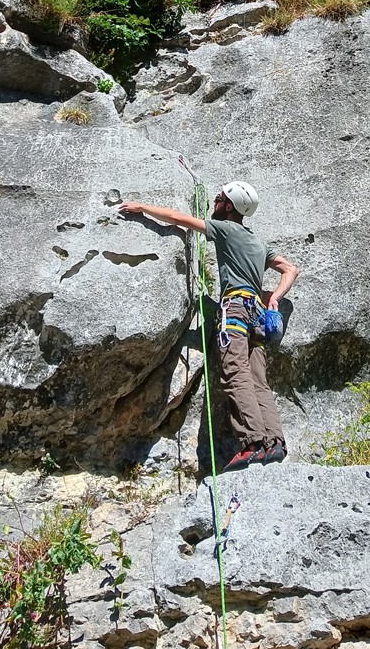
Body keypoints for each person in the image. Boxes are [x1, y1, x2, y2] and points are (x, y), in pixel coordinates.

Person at [119, 181, 299, 471]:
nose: (215, 202)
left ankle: (253, 443)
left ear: (229, 206)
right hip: (257, 314)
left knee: (235, 373)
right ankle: (275, 443)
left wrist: (142, 207)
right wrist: (274, 298)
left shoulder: (226, 229)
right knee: (258, 380)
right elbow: (291, 269)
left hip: (235, 309)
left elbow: (178, 219)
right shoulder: (259, 244)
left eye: (219, 198)